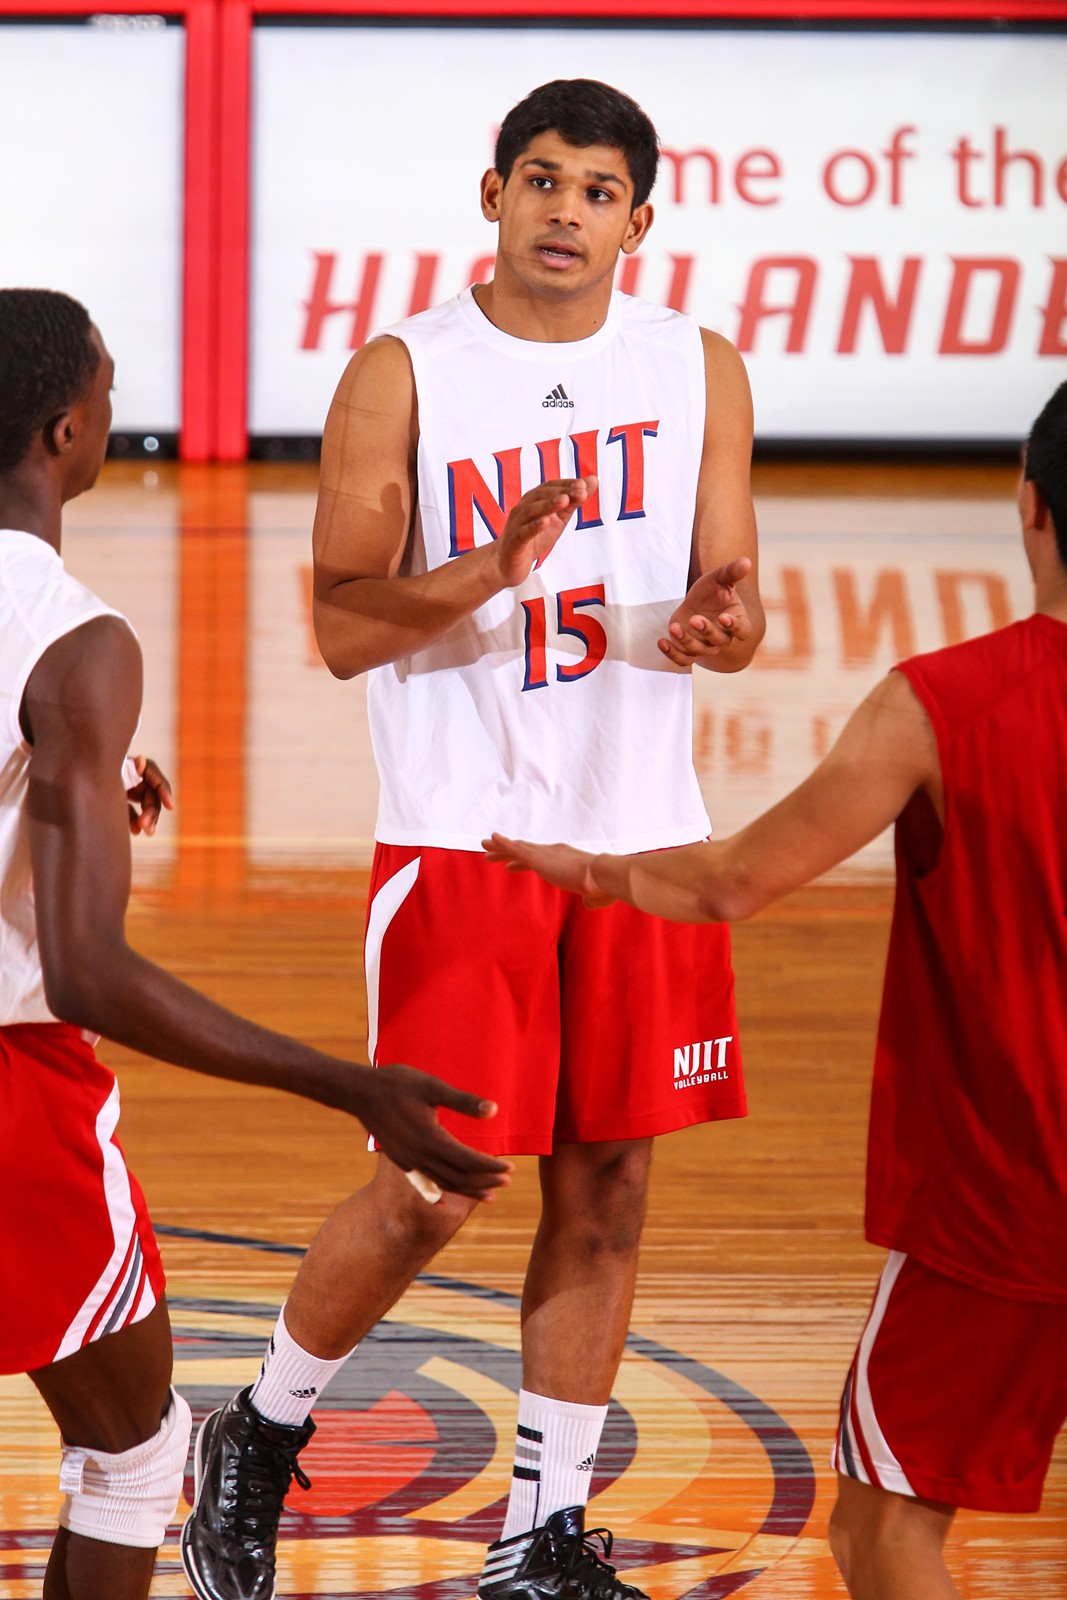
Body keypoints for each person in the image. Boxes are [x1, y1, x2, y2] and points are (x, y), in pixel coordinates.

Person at [181, 77, 764, 1600]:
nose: (565, 211)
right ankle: (259, 1427)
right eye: (541, 180)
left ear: (640, 219)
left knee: (608, 1189)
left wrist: (721, 628)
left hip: (642, 839)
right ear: (490, 194)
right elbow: (340, 626)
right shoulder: (403, 373)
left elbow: (735, 594)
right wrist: (485, 572)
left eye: (596, 190)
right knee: (433, 1184)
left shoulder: (697, 365)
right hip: (467, 839)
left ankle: (541, 1532)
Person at [485, 380, 1067, 1599]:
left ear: (1029, 506)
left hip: (1010, 1203)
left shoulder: (945, 703)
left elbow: (731, 882)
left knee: (882, 1533)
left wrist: (587, 868)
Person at [0, 286, 511, 1600]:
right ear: (65, 433)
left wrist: (74, 794)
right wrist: (346, 1082)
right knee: (129, 1453)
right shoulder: (72, 643)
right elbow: (88, 970)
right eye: (108, 393)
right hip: (12, 1096)